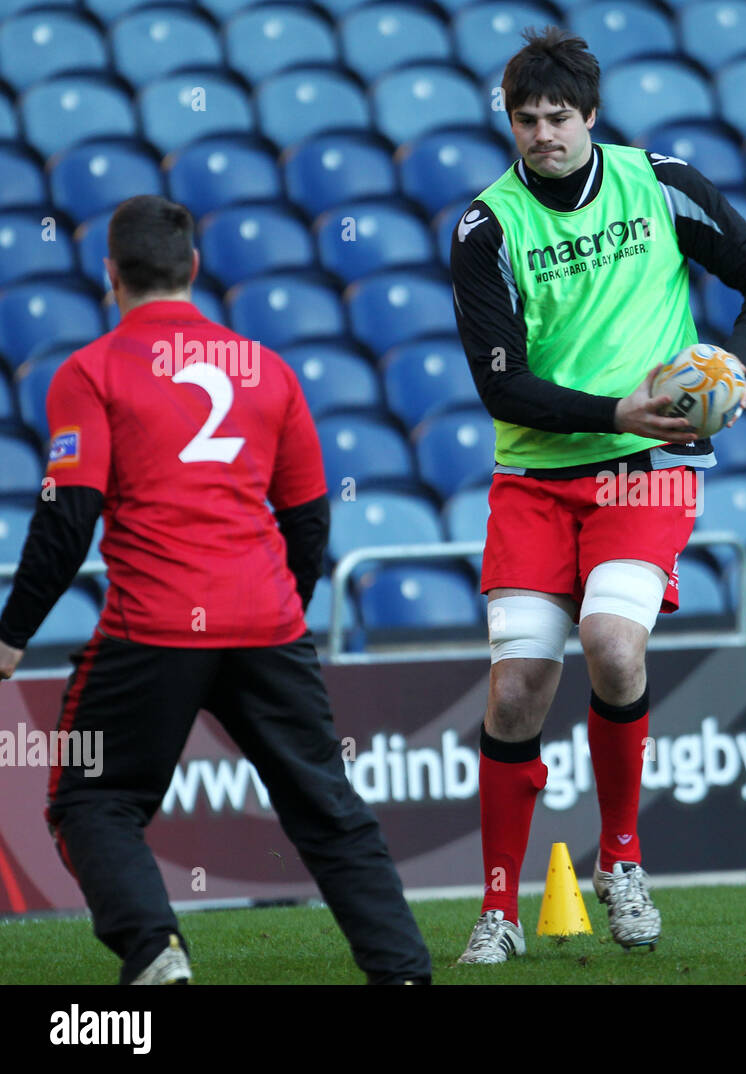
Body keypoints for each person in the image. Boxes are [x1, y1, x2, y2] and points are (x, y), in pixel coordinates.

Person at [0, 195, 431, 985]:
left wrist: (12, 633)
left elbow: (70, 518)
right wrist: (285, 609)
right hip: (266, 620)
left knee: (93, 800)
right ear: (193, 269)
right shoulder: (267, 368)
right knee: (327, 809)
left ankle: (155, 948)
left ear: (110, 276)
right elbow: (307, 518)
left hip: (154, 625)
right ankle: (402, 972)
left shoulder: (90, 372)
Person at [449, 26, 746, 963]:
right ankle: (496, 909)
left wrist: (737, 363)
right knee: (518, 689)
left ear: (591, 116)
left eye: (557, 118)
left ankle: (622, 862)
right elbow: (500, 385)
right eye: (524, 120)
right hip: (532, 477)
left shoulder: (661, 182)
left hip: (642, 473)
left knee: (611, 645)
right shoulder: (487, 227)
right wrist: (617, 407)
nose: (541, 136)